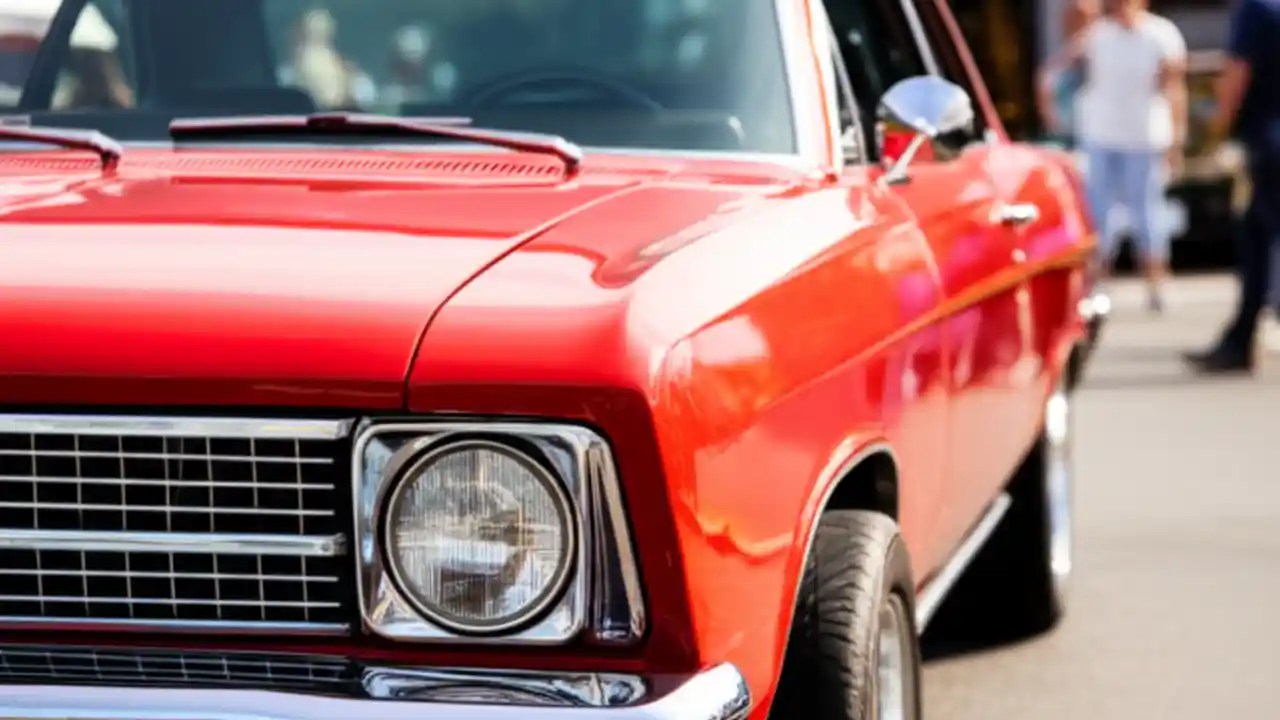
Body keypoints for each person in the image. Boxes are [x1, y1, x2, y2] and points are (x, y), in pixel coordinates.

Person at [1038, 0, 1188, 313]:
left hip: (1145, 135)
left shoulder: (1162, 33)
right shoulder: (1097, 33)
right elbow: (1057, 65)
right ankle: (1097, 283)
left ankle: (1156, 282)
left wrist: (1176, 139)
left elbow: (1174, 88)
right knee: (1098, 212)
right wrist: (1050, 105)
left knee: (1146, 211)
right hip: (1101, 135)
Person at [1184, 0, 1280, 374]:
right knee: (1257, 236)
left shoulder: (1256, 10)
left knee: (1258, 238)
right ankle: (1239, 339)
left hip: (1266, 141)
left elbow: (1237, 73)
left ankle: (1240, 341)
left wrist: (1217, 130)